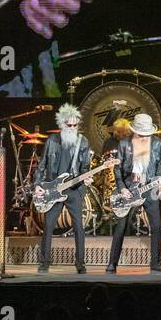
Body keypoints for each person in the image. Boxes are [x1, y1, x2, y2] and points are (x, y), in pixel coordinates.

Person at [105, 112, 161, 274]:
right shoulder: (124, 143)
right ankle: (112, 264)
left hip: (150, 188)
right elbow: (117, 169)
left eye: (147, 134)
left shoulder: (157, 143)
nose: (144, 137)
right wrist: (122, 188)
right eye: (141, 134)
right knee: (121, 226)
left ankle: (155, 263)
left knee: (156, 226)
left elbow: (160, 164)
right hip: (128, 189)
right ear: (134, 131)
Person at [34, 103, 93, 274]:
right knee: (49, 226)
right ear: (62, 124)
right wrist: (38, 185)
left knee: (79, 227)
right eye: (69, 125)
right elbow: (41, 166)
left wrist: (87, 178)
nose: (73, 128)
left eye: (75, 125)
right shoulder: (52, 141)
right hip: (53, 189)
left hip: (74, 189)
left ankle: (80, 264)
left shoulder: (83, 142)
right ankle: (44, 263)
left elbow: (85, 168)